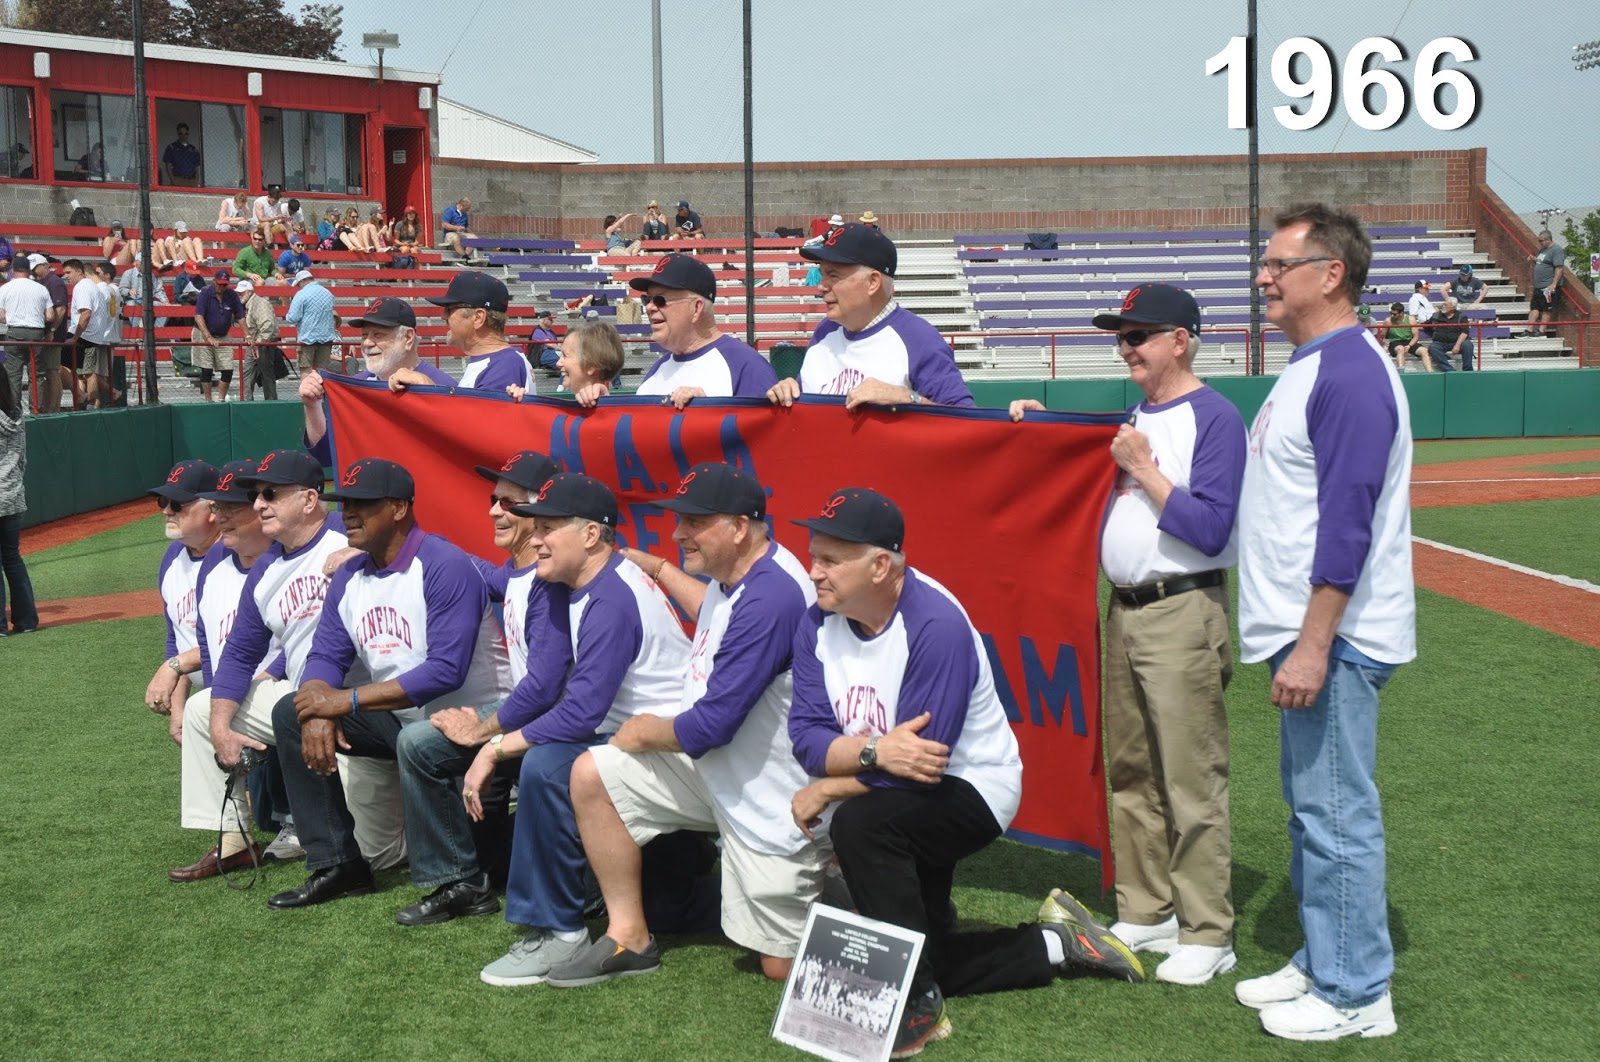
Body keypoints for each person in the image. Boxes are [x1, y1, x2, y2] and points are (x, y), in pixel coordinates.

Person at [786, 487, 1143, 1057]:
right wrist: (874, 753)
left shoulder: (935, 624)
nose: (813, 572)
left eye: (829, 560)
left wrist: (834, 779)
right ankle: (1054, 943)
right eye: (814, 556)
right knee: (911, 940)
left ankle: (912, 1003)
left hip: (974, 787)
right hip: (895, 782)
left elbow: (923, 765)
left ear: (881, 566)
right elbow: (807, 739)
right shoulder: (816, 625)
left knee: (861, 824)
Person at [1012, 284, 1245, 985]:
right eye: (1122, 334)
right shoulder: (1139, 414)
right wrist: (1041, 424)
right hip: (1125, 609)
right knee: (1133, 770)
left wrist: (1142, 469)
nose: (1126, 346)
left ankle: (1209, 930)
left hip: (1183, 609)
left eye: (1140, 334)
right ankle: (1149, 909)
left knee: (1190, 777)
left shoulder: (1216, 417)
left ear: (1182, 340)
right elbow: (1088, 453)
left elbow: (1211, 528)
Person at [1236, 203, 1414, 1041]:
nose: (1264, 277)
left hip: (1331, 641)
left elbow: (1348, 522)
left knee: (1337, 812)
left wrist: (1313, 645)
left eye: (1278, 264)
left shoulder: (1348, 373)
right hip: (1306, 634)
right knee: (1312, 809)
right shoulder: (1316, 365)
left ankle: (1355, 992)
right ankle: (1323, 956)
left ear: (1330, 273)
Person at [548, 463, 829, 987]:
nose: (678, 532)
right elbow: (715, 613)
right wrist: (657, 567)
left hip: (770, 794)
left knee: (778, 967)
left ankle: (841, 887)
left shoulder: (773, 596)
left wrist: (642, 729)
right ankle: (628, 936)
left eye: (694, 522)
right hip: (717, 773)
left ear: (739, 527)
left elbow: (710, 728)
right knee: (593, 775)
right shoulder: (741, 575)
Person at [470, 473, 691, 986]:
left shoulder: (611, 597)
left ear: (591, 536)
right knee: (547, 759)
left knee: (546, 764)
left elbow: (581, 712)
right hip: (631, 735)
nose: (536, 539)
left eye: (548, 528)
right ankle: (566, 918)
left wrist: (495, 747)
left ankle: (556, 931)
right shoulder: (577, 582)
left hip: (673, 746)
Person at [269, 457, 511, 913]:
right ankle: (338, 863)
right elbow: (325, 656)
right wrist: (319, 707)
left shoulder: (444, 564)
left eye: (364, 504)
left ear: (399, 508)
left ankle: (461, 884)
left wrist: (345, 700)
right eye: (346, 503)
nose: (350, 514)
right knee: (290, 710)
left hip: (481, 719)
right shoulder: (348, 575)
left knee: (494, 854)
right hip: (403, 721)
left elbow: (445, 672)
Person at [194, 449, 407, 882]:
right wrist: (222, 727)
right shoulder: (266, 569)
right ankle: (235, 840)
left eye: (270, 494)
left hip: (372, 707)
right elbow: (237, 655)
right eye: (255, 495)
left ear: (309, 501)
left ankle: (423, 808)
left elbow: (416, 549)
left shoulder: (348, 535)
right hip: (306, 701)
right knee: (206, 707)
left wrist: (368, 554)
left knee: (380, 854)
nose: (258, 505)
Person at [392, 449, 569, 925]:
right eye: (494, 500)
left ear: (540, 512)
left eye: (508, 503)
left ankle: (463, 881)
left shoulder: (554, 579)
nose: (493, 510)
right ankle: (466, 878)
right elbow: (479, 570)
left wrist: (486, 731)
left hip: (564, 723)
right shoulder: (518, 572)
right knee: (425, 741)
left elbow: (545, 688)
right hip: (533, 713)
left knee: (419, 742)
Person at [168, 459, 300, 877]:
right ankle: (232, 839)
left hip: (289, 686)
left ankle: (297, 820)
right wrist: (221, 694)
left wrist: (265, 677)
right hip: (242, 692)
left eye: (231, 508)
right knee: (203, 707)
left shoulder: (286, 562)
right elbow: (209, 647)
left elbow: (301, 639)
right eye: (217, 507)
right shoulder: (213, 566)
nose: (219, 517)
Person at [767, 224, 973, 410]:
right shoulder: (825, 330)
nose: (821, 286)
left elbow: (969, 427)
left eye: (833, 275)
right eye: (822, 274)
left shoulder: (919, 339)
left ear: (872, 282)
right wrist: (789, 392)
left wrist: (909, 399)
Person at [301, 297, 455, 466]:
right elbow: (325, 455)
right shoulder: (354, 387)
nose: (367, 343)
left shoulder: (443, 386)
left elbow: (453, 457)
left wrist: (431, 398)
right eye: (364, 335)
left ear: (408, 338)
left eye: (378, 335)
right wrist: (312, 406)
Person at [616, 253, 775, 407]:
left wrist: (706, 413)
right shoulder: (657, 371)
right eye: (647, 299)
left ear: (696, 308)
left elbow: (767, 431)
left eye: (660, 300)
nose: (649, 307)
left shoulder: (746, 367)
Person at [423, 271, 531, 392]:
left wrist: (429, 389)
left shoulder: (503, 367)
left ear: (478, 318)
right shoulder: (500, 362)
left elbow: (477, 411)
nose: (443, 316)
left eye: (449, 309)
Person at [0, 366, 38, 635]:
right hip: (13, 496)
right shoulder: (16, 416)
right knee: (12, 558)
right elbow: (22, 460)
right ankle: (26, 621)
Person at [0, 255, 52, 412]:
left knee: (13, 375)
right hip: (36, 333)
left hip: (15, 332)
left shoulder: (5, 288)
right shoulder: (41, 288)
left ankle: (14, 410)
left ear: (13, 270)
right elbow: (50, 316)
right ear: (29, 270)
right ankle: (36, 409)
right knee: (36, 375)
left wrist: (12, 318)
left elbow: (1, 315)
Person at [63, 258, 115, 409]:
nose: (66, 276)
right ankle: (94, 401)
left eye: (68, 272)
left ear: (79, 271)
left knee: (60, 365)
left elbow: (86, 313)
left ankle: (83, 396)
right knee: (87, 371)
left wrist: (74, 337)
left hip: (85, 335)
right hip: (93, 335)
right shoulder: (93, 286)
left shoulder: (82, 287)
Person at [192, 270, 245, 402]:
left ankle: (221, 399)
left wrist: (248, 336)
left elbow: (241, 317)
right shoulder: (205, 293)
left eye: (225, 285)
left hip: (223, 334)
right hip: (203, 332)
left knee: (228, 369)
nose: (222, 287)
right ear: (214, 282)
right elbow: (199, 316)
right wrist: (208, 336)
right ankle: (208, 400)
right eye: (220, 284)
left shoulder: (232, 295)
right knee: (207, 370)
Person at [29, 255, 69, 413]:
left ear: (44, 265)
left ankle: (53, 408)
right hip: (48, 333)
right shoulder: (46, 282)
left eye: (35, 268)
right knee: (48, 371)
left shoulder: (54, 282)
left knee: (52, 371)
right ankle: (49, 407)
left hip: (52, 335)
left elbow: (61, 309)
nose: (34, 271)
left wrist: (52, 330)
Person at [238, 280, 285, 401]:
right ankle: (262, 401)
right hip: (258, 343)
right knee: (258, 374)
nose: (239, 296)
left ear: (249, 292)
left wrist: (258, 342)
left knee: (264, 374)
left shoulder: (259, 304)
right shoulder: (252, 304)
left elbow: (267, 325)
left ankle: (265, 402)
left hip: (262, 344)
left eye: (241, 293)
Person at [286, 270, 337, 373]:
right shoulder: (328, 293)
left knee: (306, 371)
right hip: (326, 338)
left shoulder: (301, 294)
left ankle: (307, 389)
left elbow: (292, 318)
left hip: (307, 338)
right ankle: (321, 389)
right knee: (322, 371)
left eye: (298, 284)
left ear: (302, 281)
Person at [1521, 230, 1565, 338]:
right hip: (1538, 285)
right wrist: (1534, 259)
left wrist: (1554, 284)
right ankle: (1529, 329)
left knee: (1546, 308)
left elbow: (1559, 268)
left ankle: (1541, 331)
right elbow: (1542, 262)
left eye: (1541, 240)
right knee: (1534, 306)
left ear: (1548, 239)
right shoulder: (1543, 250)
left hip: (1548, 285)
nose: (1539, 242)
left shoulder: (1556, 250)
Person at [1426, 296, 1473, 371]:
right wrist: (1413, 326)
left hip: (1457, 342)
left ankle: (1468, 371)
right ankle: (1449, 370)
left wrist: (1457, 346)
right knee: (1433, 347)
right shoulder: (1436, 316)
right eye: (1443, 305)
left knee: (1468, 344)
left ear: (1453, 307)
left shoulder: (1461, 317)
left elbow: (1464, 333)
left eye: (1446, 305)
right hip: (1440, 343)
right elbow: (1424, 325)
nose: (1443, 307)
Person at [1378, 303, 1427, 372]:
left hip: (1409, 341)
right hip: (1395, 342)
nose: (1392, 315)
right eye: (1391, 313)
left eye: (1394, 314)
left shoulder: (1411, 319)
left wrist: (1409, 346)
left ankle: (1430, 373)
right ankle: (1401, 373)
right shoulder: (1388, 321)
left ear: (1401, 313)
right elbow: (1382, 335)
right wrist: (1383, 345)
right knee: (1400, 349)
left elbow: (1416, 336)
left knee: (1424, 351)